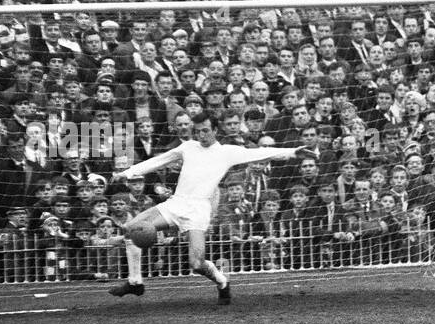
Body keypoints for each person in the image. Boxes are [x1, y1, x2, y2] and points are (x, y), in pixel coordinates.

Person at [107, 113, 304, 303]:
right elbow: (159, 160)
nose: (201, 135)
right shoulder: (189, 147)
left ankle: (222, 281)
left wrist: (293, 152)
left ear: (216, 130)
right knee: (130, 229)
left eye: (206, 131)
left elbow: (260, 153)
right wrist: (127, 173)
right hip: (176, 203)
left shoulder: (227, 152)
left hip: (198, 209)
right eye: (198, 131)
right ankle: (135, 282)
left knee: (196, 263)